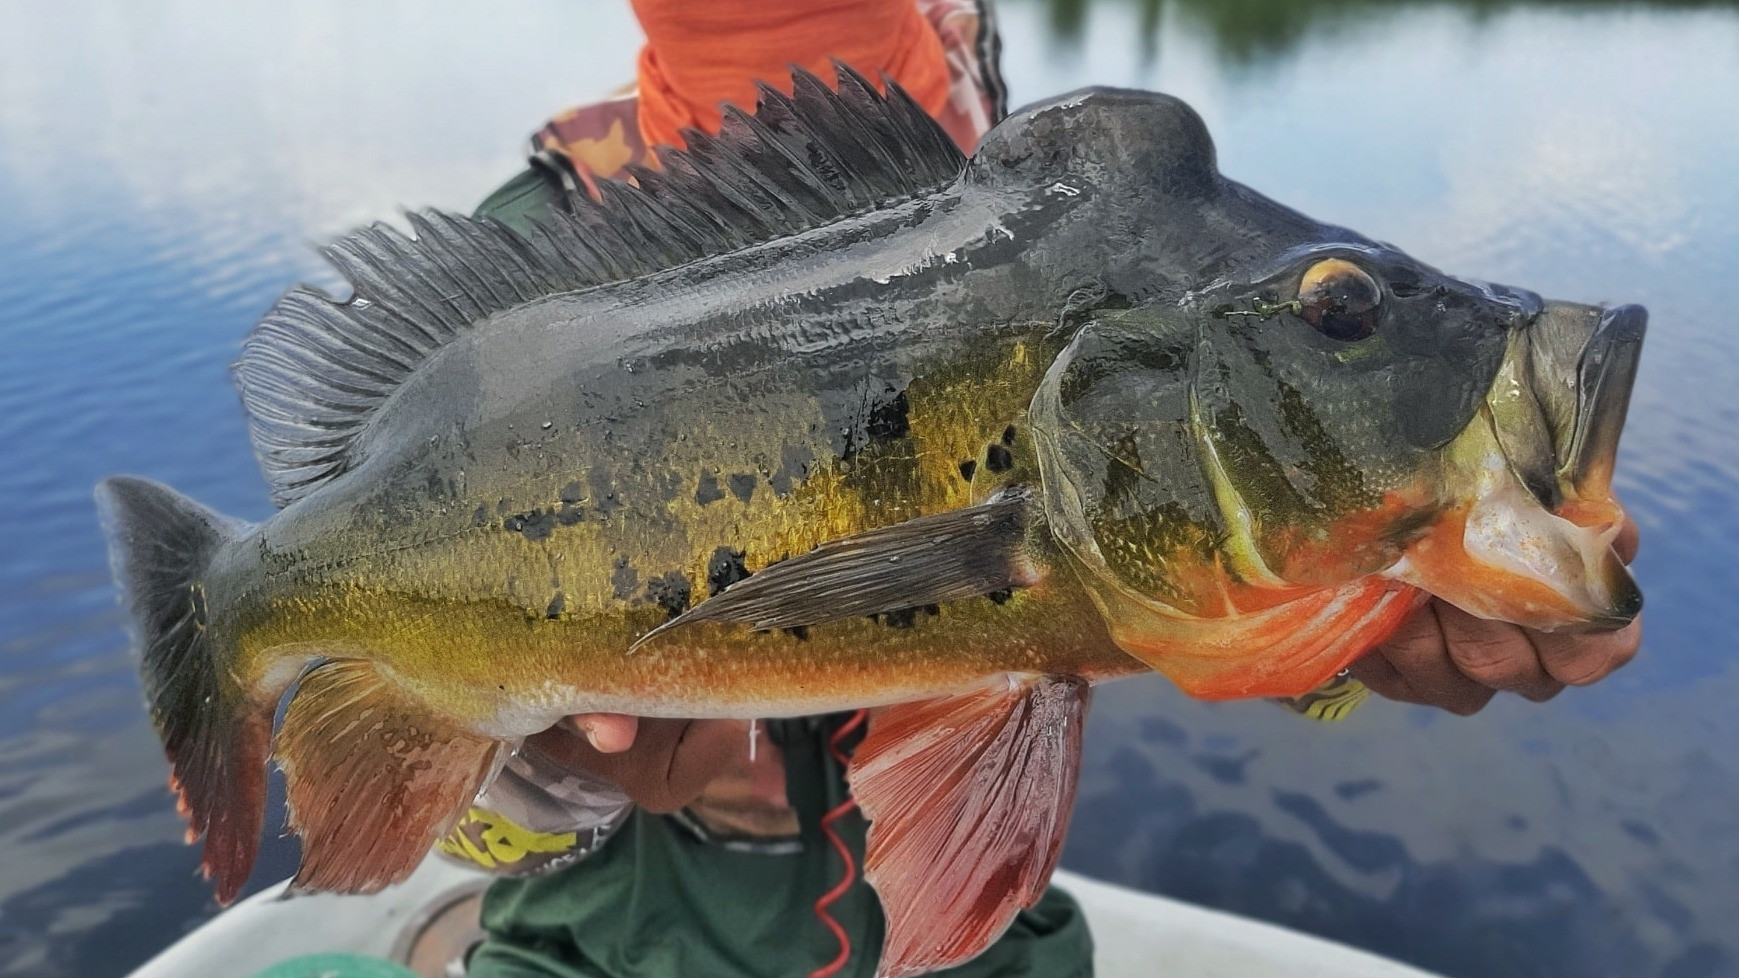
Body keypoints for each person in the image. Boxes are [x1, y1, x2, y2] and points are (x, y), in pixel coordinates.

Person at [437, 3, 1645, 976]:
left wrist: (1353, 645)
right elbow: (446, 806)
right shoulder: (526, 270)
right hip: (602, 948)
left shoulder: (1073, 188)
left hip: (986, 950)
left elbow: (1144, 539)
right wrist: (546, 768)